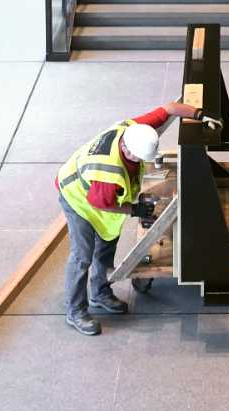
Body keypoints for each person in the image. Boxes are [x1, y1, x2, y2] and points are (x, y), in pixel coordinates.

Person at [54, 99, 202, 335]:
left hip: (96, 195)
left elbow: (171, 108)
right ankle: (75, 311)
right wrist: (134, 210)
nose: (140, 162)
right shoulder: (108, 172)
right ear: (126, 149)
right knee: (82, 255)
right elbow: (102, 204)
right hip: (77, 198)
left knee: (106, 244)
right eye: (137, 158)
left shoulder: (136, 130)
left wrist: (201, 115)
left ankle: (100, 294)